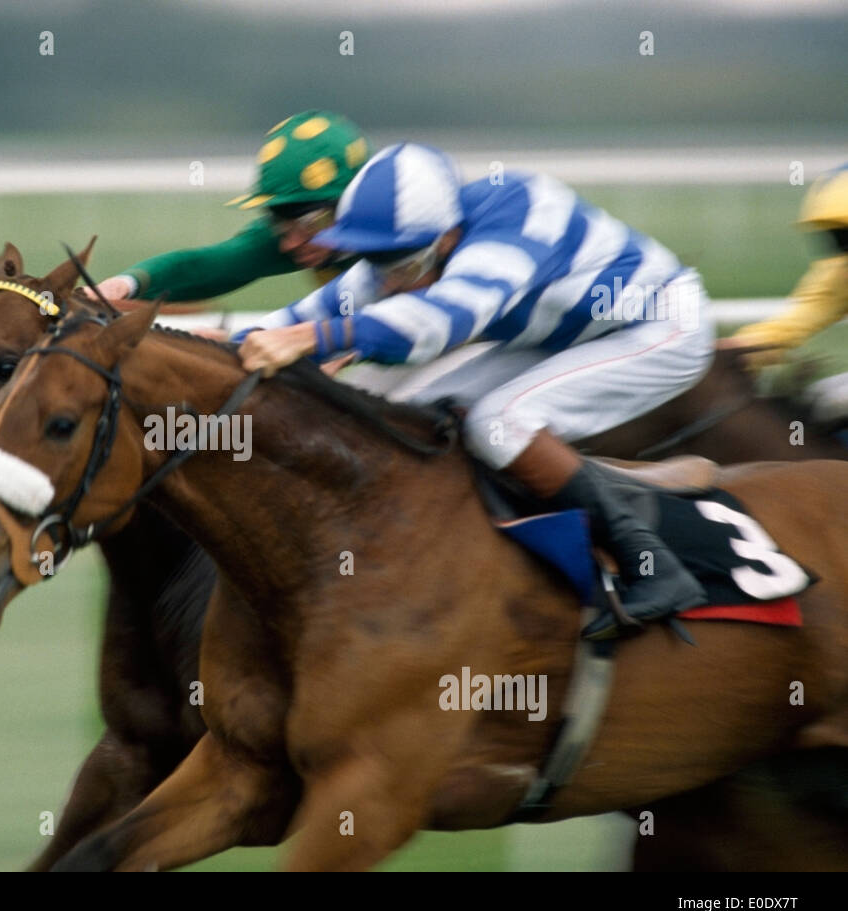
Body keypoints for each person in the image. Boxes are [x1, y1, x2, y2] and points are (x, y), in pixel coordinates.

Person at [236, 143, 715, 640]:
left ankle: (655, 567)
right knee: (406, 412)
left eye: (405, 268)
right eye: (379, 266)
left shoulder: (517, 219)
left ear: (449, 238)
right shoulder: (405, 244)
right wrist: (218, 350)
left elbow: (439, 324)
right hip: (563, 333)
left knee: (499, 423)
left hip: (660, 325)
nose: (392, 283)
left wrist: (314, 340)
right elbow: (306, 316)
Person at [87, 110, 370, 304]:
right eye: (281, 226)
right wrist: (124, 285)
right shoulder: (300, 237)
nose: (289, 244)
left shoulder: (405, 228)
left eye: (309, 224)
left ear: (354, 203)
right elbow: (204, 268)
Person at [719, 163, 848, 430]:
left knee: (834, 402)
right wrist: (722, 356)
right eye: (840, 240)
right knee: (814, 406)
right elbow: (784, 330)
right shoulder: (838, 274)